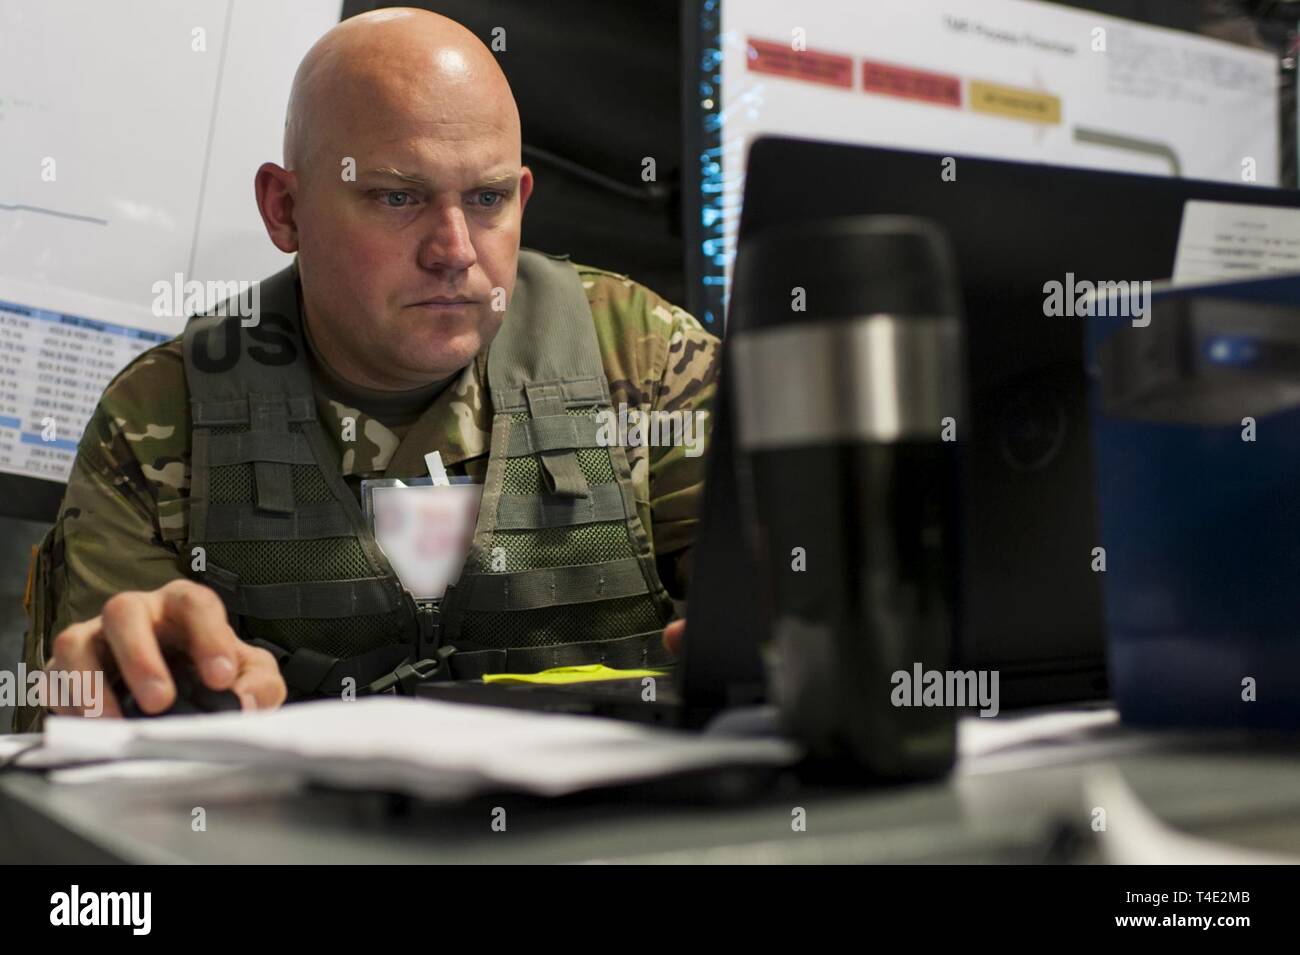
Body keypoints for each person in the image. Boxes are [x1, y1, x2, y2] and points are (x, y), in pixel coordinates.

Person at [14, 8, 714, 730]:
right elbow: (72, 742)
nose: (454, 249)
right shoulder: (162, 421)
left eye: (486, 199)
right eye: (398, 197)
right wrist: (148, 687)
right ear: (285, 209)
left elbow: (793, 608)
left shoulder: (644, 364)